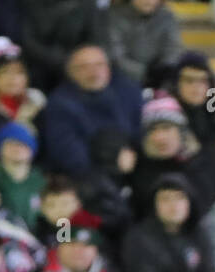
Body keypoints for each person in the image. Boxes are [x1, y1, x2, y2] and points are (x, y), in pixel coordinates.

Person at [41, 45, 140, 178]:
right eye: (84, 67)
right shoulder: (60, 105)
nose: (94, 72)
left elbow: (140, 132)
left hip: (131, 167)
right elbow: (70, 156)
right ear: (71, 73)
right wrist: (113, 163)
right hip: (87, 177)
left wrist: (133, 156)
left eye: (99, 65)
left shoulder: (127, 91)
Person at [108, 0, 182, 86]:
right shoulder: (112, 17)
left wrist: (162, 72)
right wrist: (146, 74)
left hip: (161, 81)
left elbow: (173, 50)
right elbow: (116, 57)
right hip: (121, 82)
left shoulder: (166, 18)